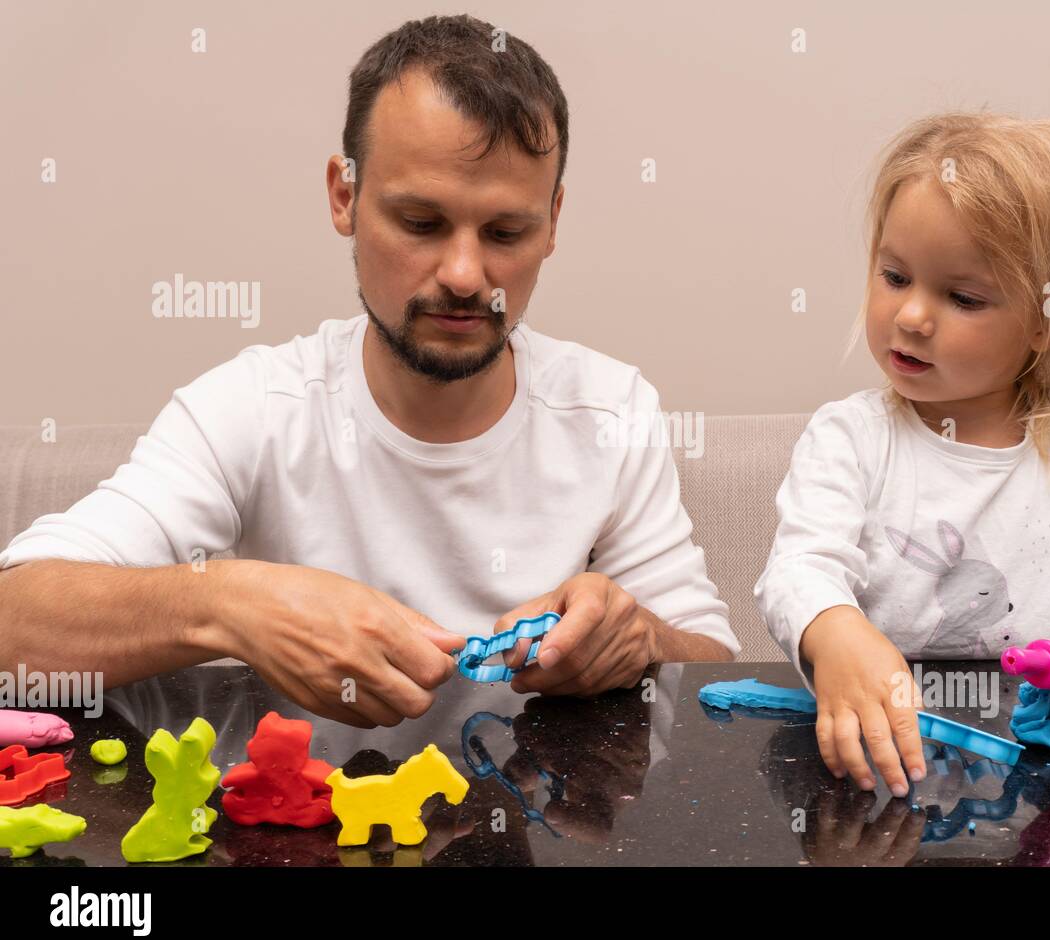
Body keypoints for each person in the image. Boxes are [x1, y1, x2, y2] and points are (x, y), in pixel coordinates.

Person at [0, 15, 736, 729]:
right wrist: (232, 604)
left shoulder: (612, 408)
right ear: (344, 195)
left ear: (554, 220)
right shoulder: (251, 407)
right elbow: (15, 626)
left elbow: (709, 666)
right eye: (420, 223)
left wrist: (636, 639)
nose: (463, 274)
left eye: (507, 232)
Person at [754, 112, 1050, 797]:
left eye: (962, 297)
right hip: (878, 769)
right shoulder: (850, 439)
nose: (912, 315)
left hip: (1040, 791)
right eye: (895, 276)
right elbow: (799, 571)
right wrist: (834, 634)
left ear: (1048, 321)